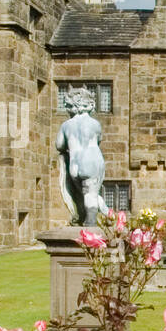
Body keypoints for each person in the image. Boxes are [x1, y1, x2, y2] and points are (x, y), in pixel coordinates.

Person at [56, 87, 107, 226]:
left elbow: (59, 145)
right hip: (91, 160)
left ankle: (82, 217)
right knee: (91, 194)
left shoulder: (66, 125)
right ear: (89, 105)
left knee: (82, 194)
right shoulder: (95, 124)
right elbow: (98, 140)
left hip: (74, 163)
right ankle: (91, 223)